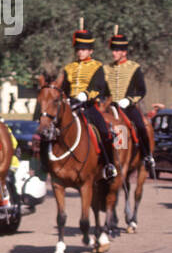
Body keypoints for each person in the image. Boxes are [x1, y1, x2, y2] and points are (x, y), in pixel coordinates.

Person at [61, 26, 118, 181]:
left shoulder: (97, 66)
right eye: (78, 48)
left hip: (87, 106)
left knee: (104, 131)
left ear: (91, 51)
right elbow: (63, 88)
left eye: (84, 49)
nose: (81, 51)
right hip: (70, 106)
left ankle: (109, 165)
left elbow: (98, 87)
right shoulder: (69, 68)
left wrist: (84, 96)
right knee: (52, 130)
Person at [106, 31, 156, 174]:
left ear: (124, 52)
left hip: (127, 106)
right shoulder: (106, 68)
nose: (114, 53)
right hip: (109, 107)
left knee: (141, 126)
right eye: (113, 50)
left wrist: (128, 100)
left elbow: (141, 90)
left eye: (117, 50)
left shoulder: (134, 67)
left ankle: (147, 156)